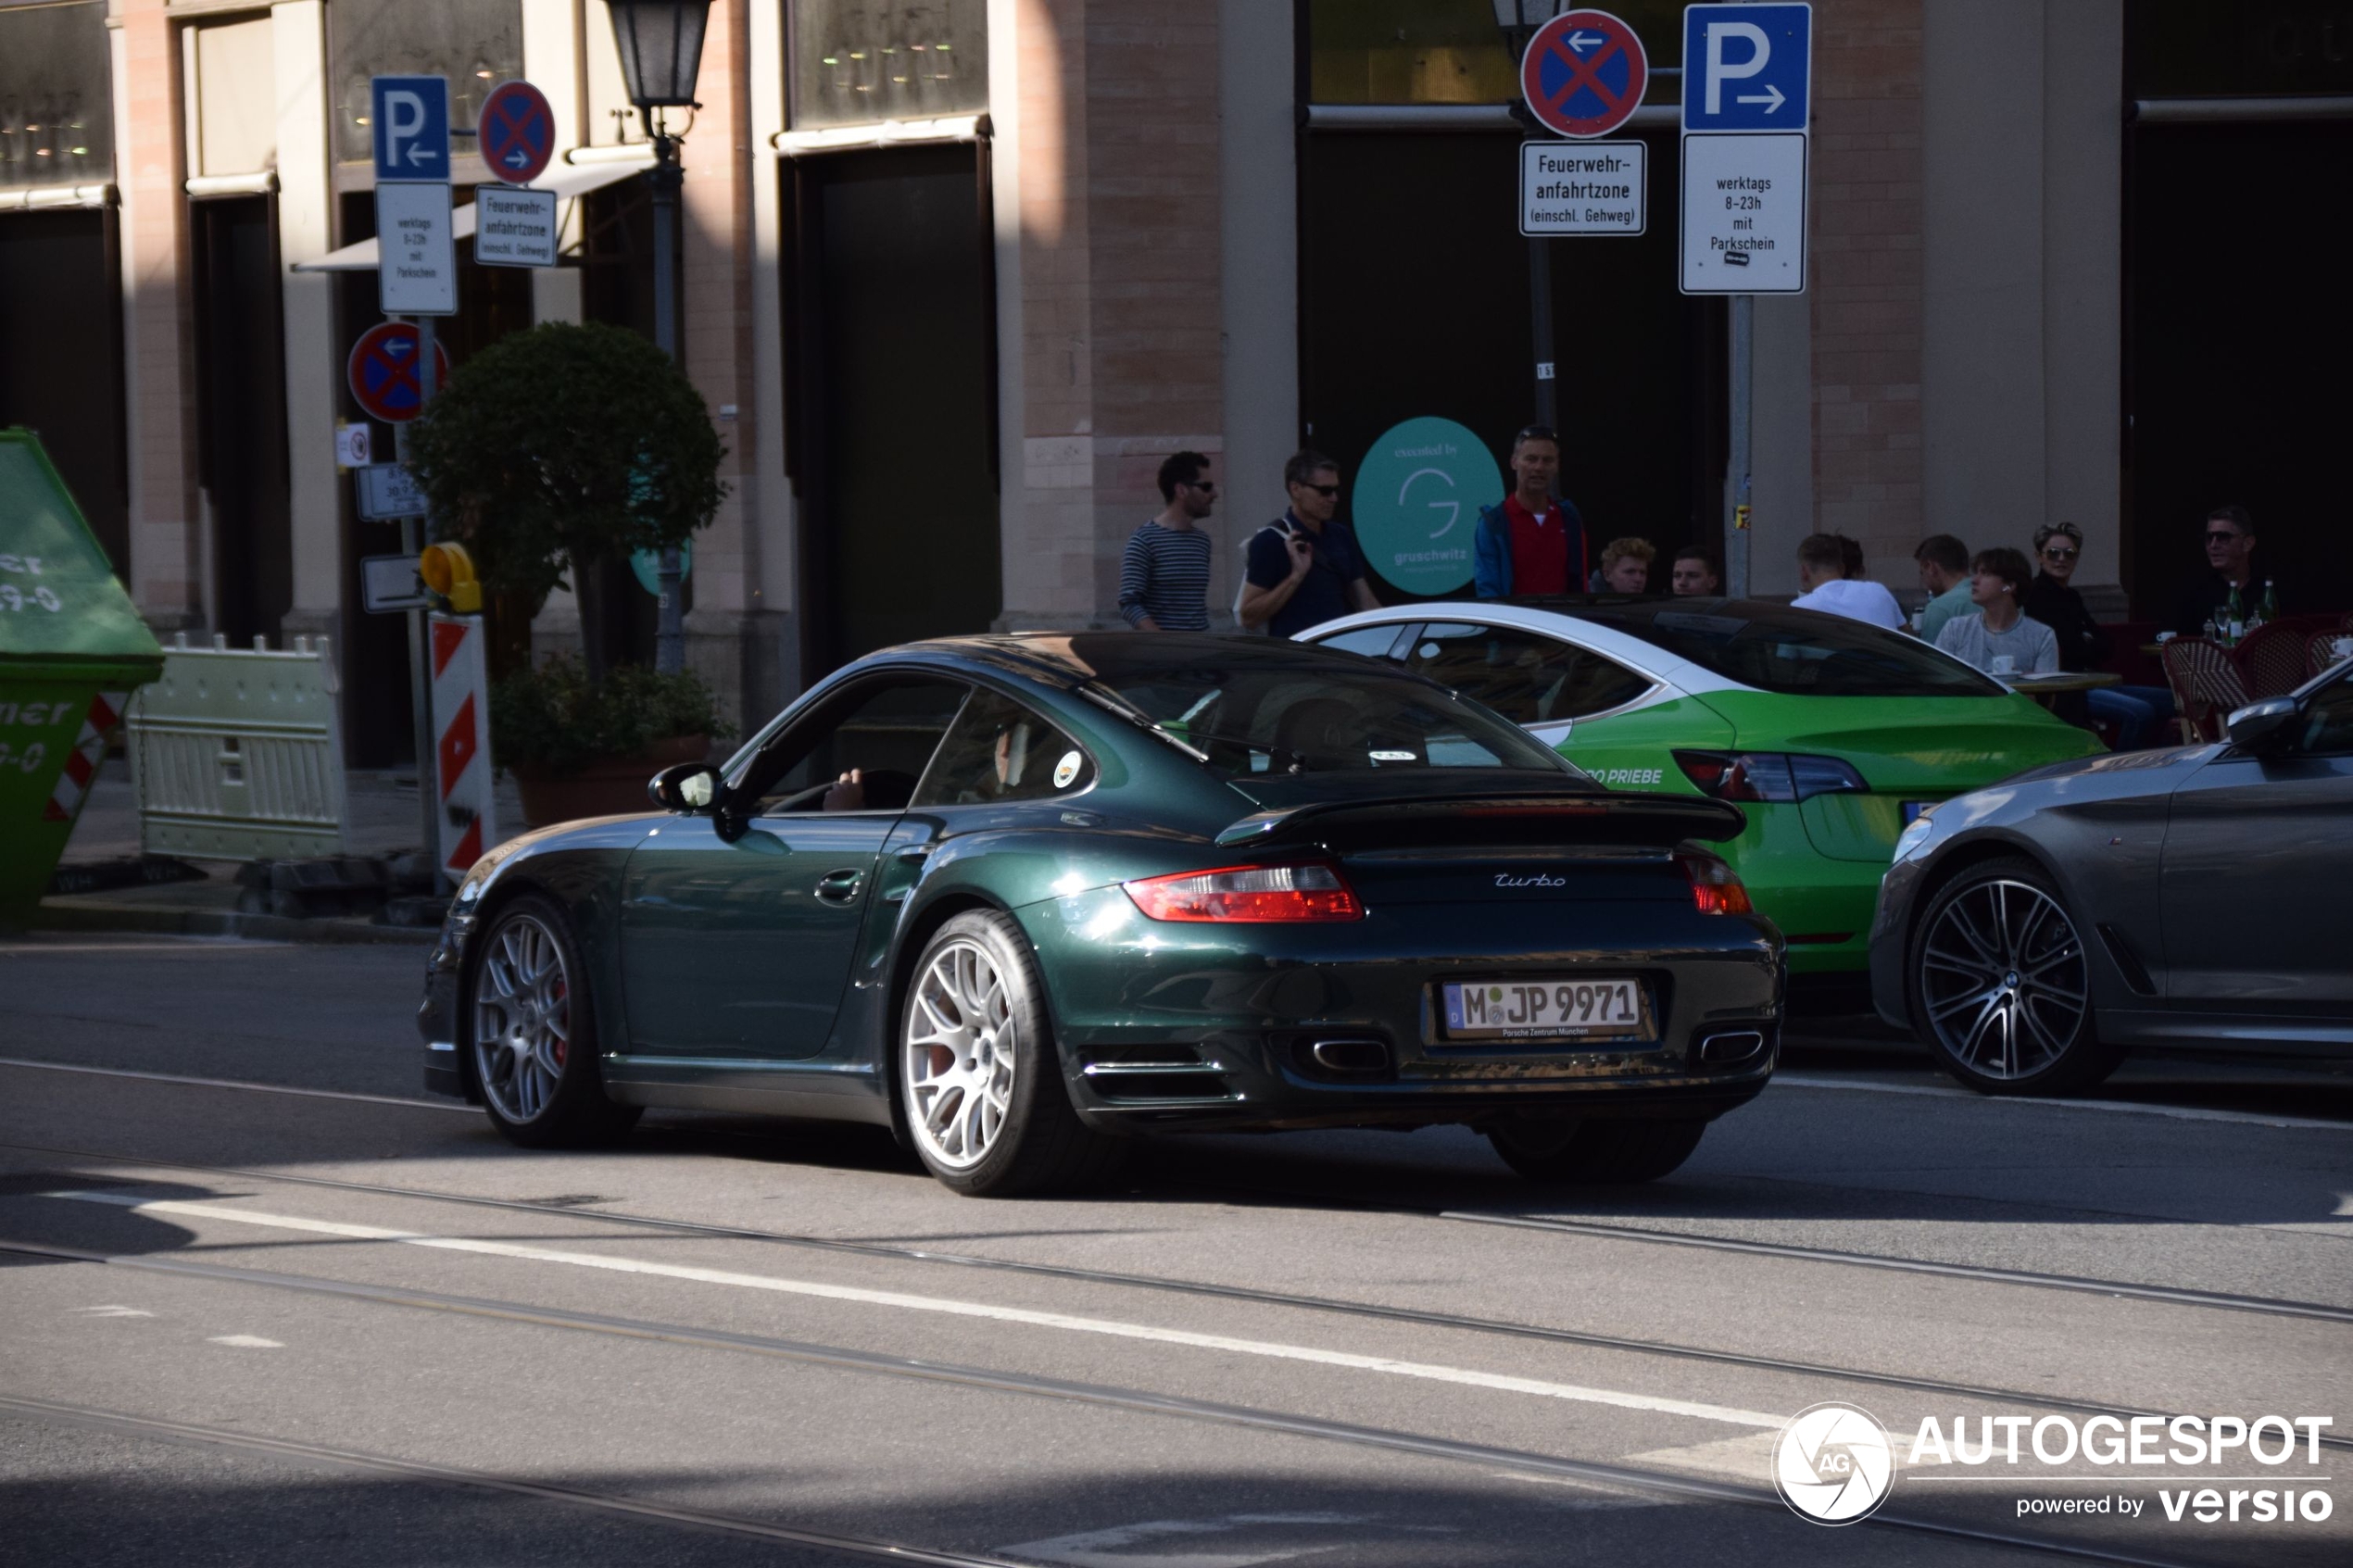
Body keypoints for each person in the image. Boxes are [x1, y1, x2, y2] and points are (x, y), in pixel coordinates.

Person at [2023, 521, 2172, 749]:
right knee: (2140, 713)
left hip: (2091, 681)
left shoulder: (2071, 596)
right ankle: (2120, 770)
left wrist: (2086, 642)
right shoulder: (2037, 596)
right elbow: (2070, 647)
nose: (2061, 559)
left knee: (2172, 700)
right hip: (2068, 691)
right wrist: (2087, 642)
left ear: (2077, 557)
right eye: (2053, 553)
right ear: (2039, 556)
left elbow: (2105, 645)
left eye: (2069, 553)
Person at [1238, 450, 1379, 636]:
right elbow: (1248, 617)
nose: (1333, 498)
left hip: (1338, 650)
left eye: (1336, 490)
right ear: (1296, 489)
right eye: (1325, 491)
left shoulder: (1340, 535)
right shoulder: (1271, 541)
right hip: (1296, 656)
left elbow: (1364, 600)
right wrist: (1295, 577)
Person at [1473, 426, 1587, 598]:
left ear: (1556, 466)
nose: (1539, 467)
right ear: (1514, 462)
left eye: (1547, 460)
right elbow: (1489, 594)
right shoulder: (1494, 524)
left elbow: (1581, 584)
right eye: (1531, 459)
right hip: (1515, 624)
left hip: (1561, 623)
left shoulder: (1569, 519)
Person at [1117, 451, 1216, 632]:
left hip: (1200, 653)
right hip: (1162, 655)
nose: (1214, 494)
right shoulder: (1144, 541)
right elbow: (1129, 603)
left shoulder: (1202, 542)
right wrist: (1164, 643)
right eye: (1206, 487)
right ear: (1181, 490)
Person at [1934, 547, 2059, 677]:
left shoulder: (2041, 636)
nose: (1974, 580)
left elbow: (2046, 693)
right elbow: (1938, 681)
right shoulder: (1956, 629)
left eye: (1985, 574)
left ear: (2009, 585)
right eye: (1976, 572)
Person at [2170, 504, 2281, 636]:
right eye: (2209, 538)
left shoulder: (2270, 589)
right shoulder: (2193, 592)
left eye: (2223, 537)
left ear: (2247, 543)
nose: (2213, 545)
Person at [1789, 533, 1906, 629]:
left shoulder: (1800, 610)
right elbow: (1909, 639)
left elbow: (1785, 655)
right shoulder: (1878, 591)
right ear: (1841, 568)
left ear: (1804, 572)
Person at [1912, 534, 1974, 642]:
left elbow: (1930, 655)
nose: (1924, 582)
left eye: (1922, 573)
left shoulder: (1939, 607)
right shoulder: (1993, 596)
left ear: (1929, 567)